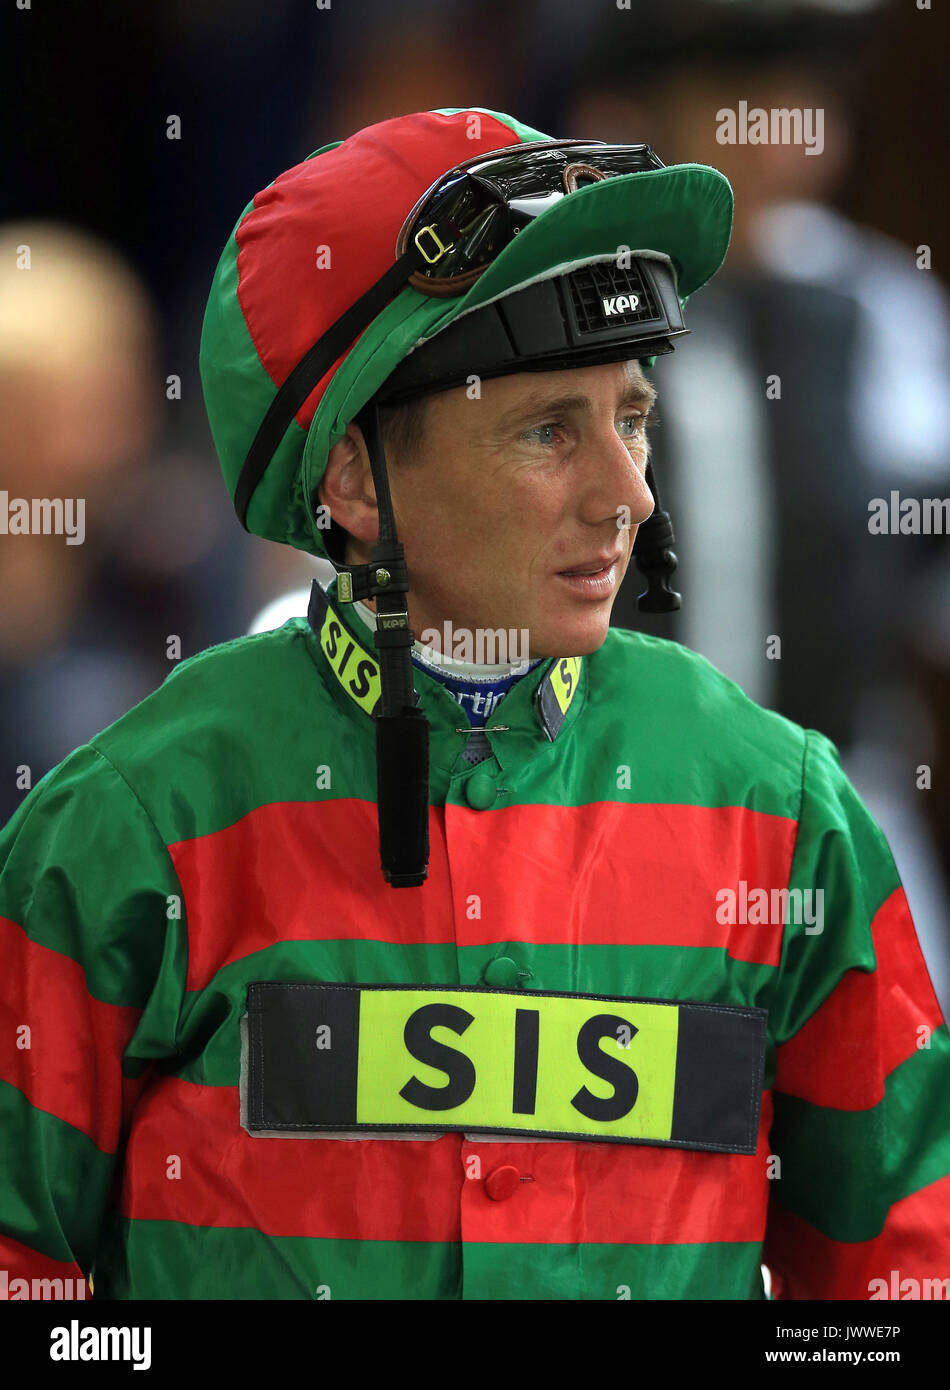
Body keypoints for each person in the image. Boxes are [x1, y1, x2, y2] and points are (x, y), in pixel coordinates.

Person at [1, 109, 947, 1302]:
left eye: (632, 416)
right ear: (351, 474)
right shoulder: (131, 822)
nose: (630, 498)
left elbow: (900, 1279)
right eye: (547, 431)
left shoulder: (783, 808)